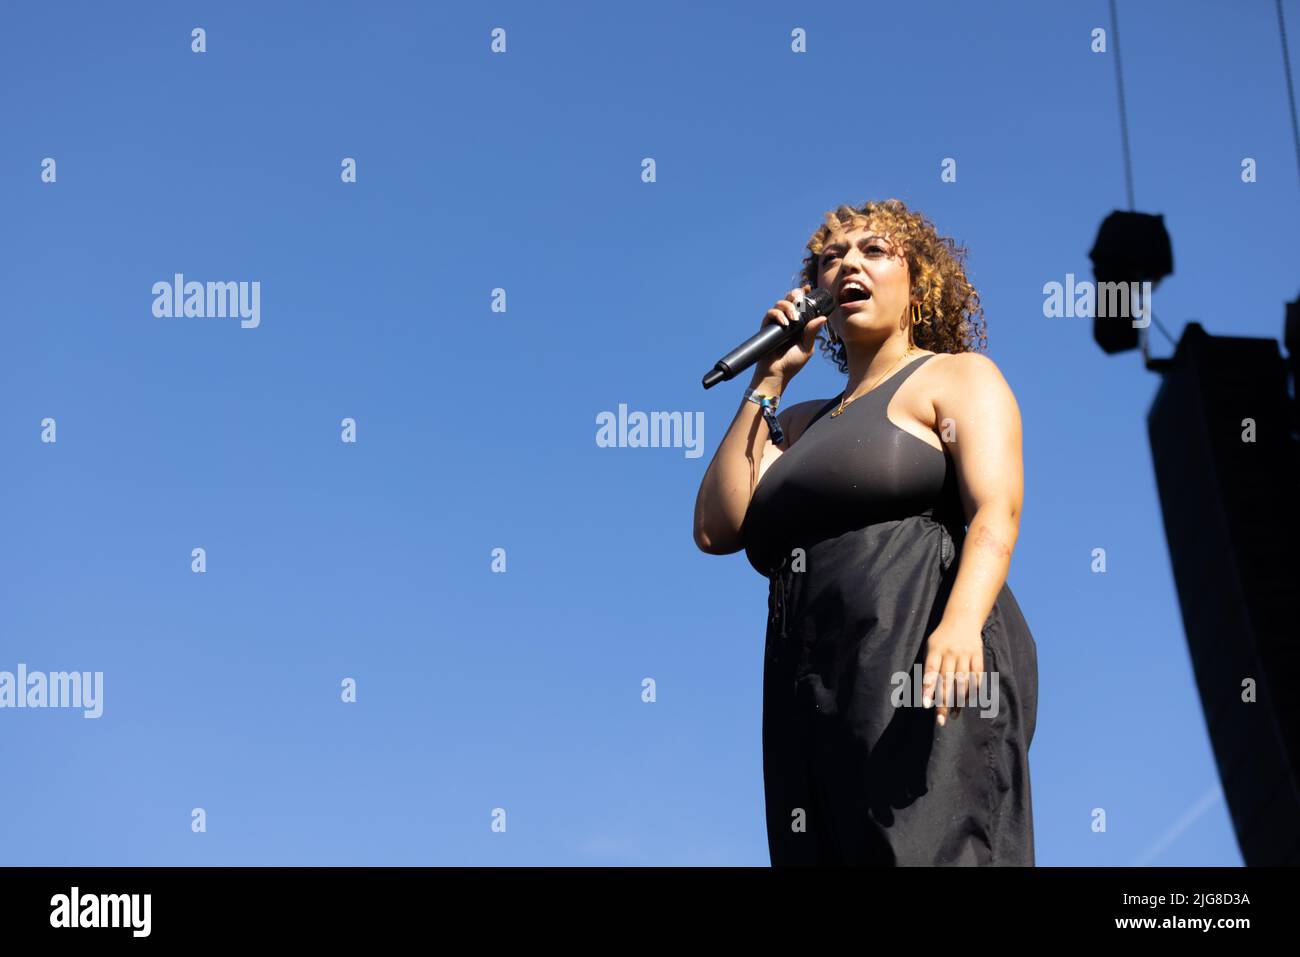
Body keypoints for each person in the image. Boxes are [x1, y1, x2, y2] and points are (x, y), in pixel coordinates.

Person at [692, 199, 1039, 866]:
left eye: (873, 251)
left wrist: (962, 621)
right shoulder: (793, 422)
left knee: (925, 844)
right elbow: (716, 526)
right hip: (812, 674)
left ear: (920, 280)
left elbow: (997, 507)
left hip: (919, 644)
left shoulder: (954, 377)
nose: (848, 262)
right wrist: (769, 378)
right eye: (831, 259)